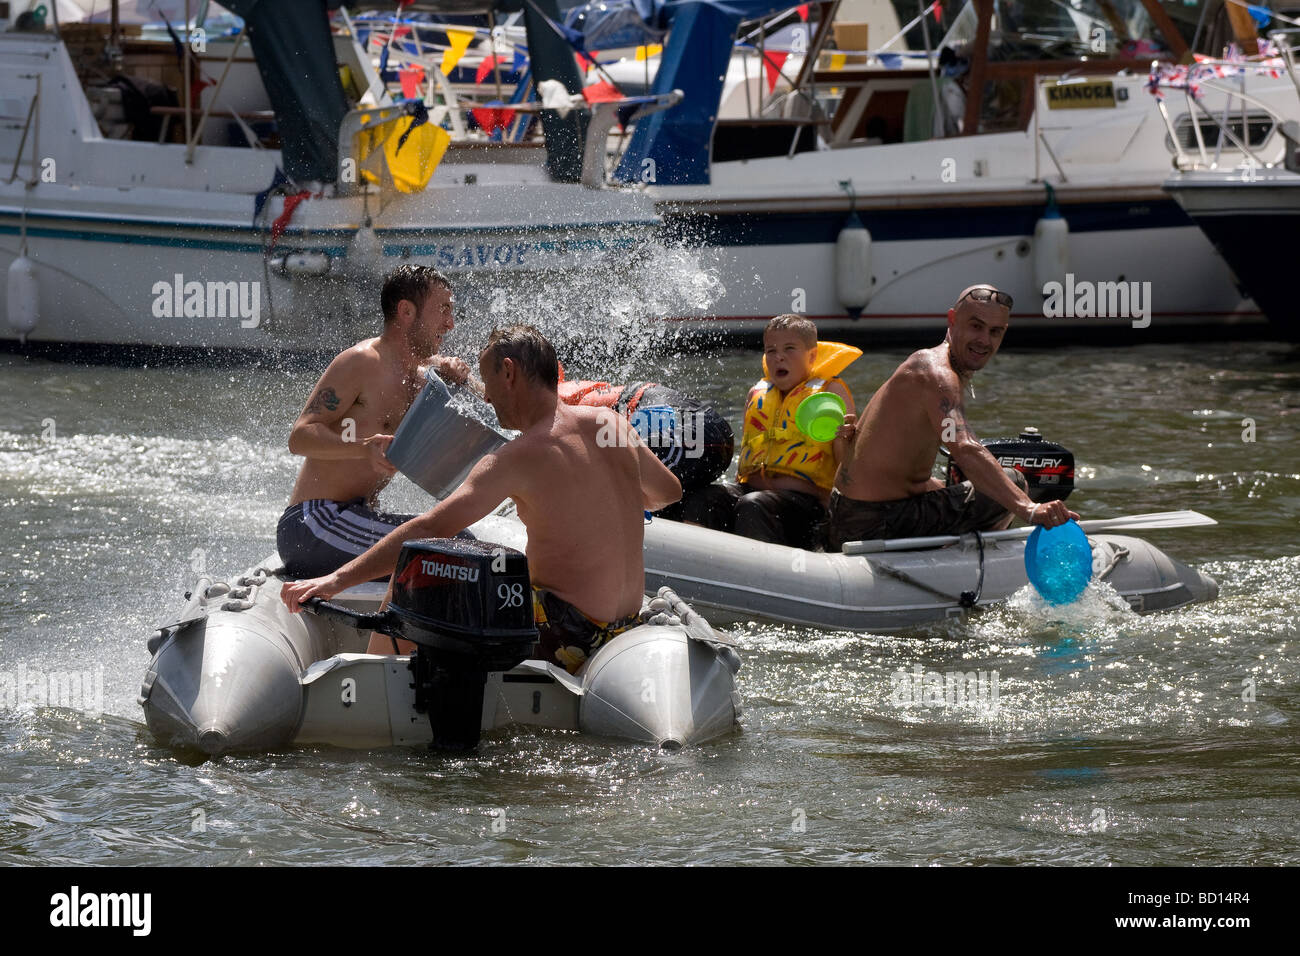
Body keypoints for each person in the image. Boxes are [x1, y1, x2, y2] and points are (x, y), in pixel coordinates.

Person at [281, 324, 683, 674]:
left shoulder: (518, 456)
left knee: (421, 558)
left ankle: (375, 684)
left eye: (488, 382)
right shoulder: (610, 424)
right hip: (623, 625)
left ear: (508, 373)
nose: (486, 398)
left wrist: (334, 580)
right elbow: (668, 493)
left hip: (562, 629)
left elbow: (430, 527)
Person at [826, 284, 1079, 552]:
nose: (984, 340)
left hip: (845, 514)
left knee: (964, 485)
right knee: (1014, 480)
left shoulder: (926, 367)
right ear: (952, 320)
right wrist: (1029, 508)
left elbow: (901, 474)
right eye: (976, 326)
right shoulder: (938, 375)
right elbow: (965, 449)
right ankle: (976, 565)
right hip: (874, 522)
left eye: (995, 332)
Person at [276, 265, 473, 578]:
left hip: (355, 516)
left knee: (459, 541)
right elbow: (300, 437)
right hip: (313, 525)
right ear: (406, 311)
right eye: (443, 310)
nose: (450, 324)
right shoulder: (361, 362)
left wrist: (448, 372)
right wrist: (363, 449)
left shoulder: (422, 376)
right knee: (459, 551)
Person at [671, 314, 857, 549]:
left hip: (807, 506)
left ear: (812, 356)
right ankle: (693, 564)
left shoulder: (830, 394)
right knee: (704, 498)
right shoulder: (757, 393)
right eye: (771, 350)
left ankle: (757, 578)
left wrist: (847, 438)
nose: (779, 357)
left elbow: (847, 462)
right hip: (752, 492)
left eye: (790, 349)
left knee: (753, 505)